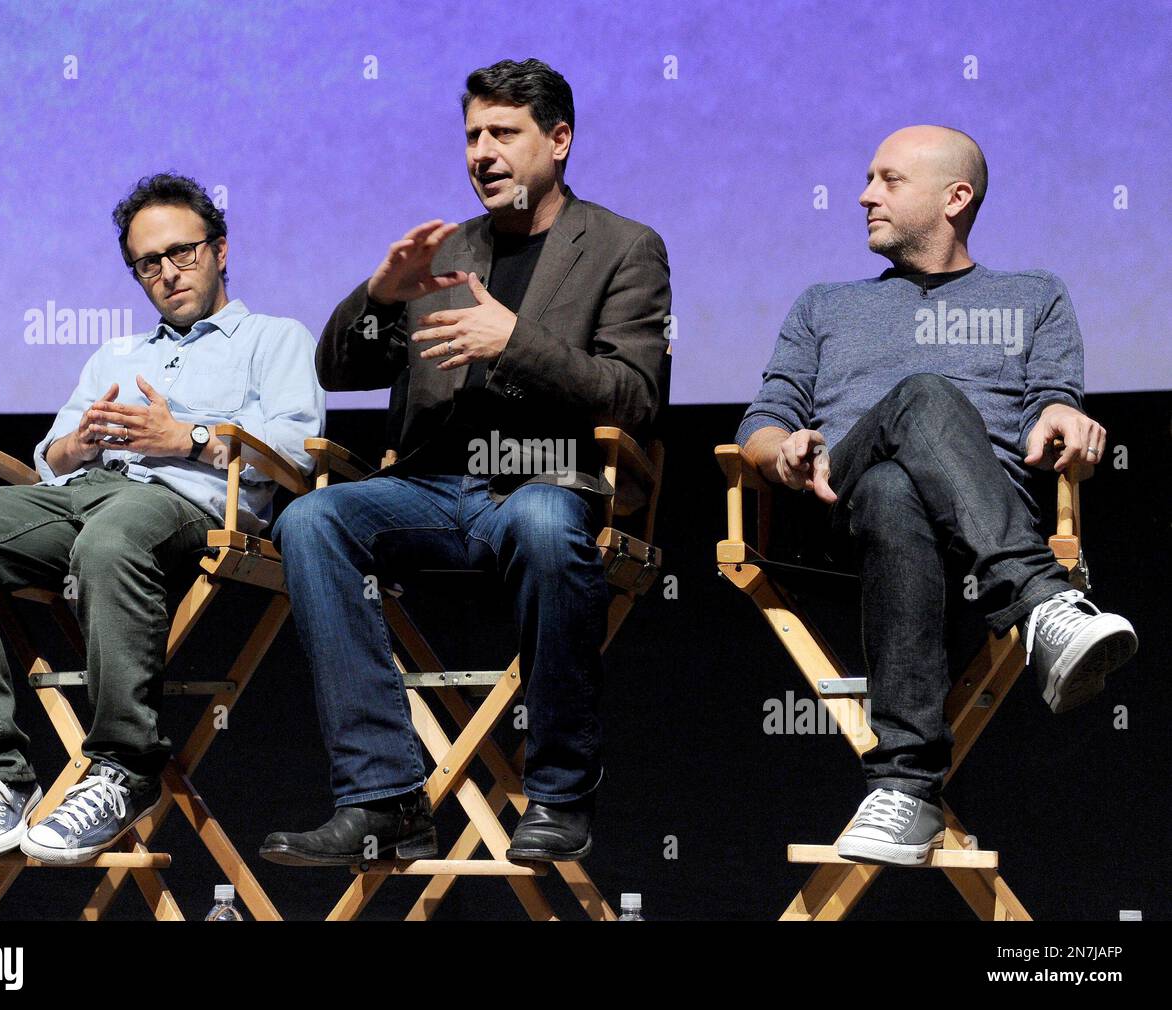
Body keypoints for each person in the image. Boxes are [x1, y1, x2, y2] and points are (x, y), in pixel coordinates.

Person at [261, 58, 671, 866]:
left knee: (550, 529)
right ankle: (383, 799)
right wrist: (380, 295)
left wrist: (513, 342)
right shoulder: (445, 250)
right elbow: (340, 371)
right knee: (310, 519)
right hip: (425, 485)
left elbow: (635, 397)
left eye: (503, 134)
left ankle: (557, 794)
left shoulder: (623, 247)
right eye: (472, 136)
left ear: (558, 140)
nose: (482, 153)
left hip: (539, 476)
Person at [737, 126, 1137, 865]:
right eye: (867, 179)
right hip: (836, 510)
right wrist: (780, 449)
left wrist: (1065, 417)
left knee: (898, 489)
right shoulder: (824, 304)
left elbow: (1053, 403)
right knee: (914, 409)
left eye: (888, 180)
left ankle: (903, 792)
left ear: (956, 199)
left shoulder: (1033, 296)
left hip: (972, 518)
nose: (863, 195)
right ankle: (1045, 605)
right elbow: (761, 423)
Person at [0, 173, 324, 866]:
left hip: (192, 504)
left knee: (115, 534)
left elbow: (292, 457)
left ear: (220, 250)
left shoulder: (275, 339)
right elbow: (52, 456)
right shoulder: (117, 354)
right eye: (147, 263)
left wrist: (182, 438)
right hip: (84, 490)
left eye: (181, 253)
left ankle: (126, 767)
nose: (167, 273)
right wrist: (84, 441)